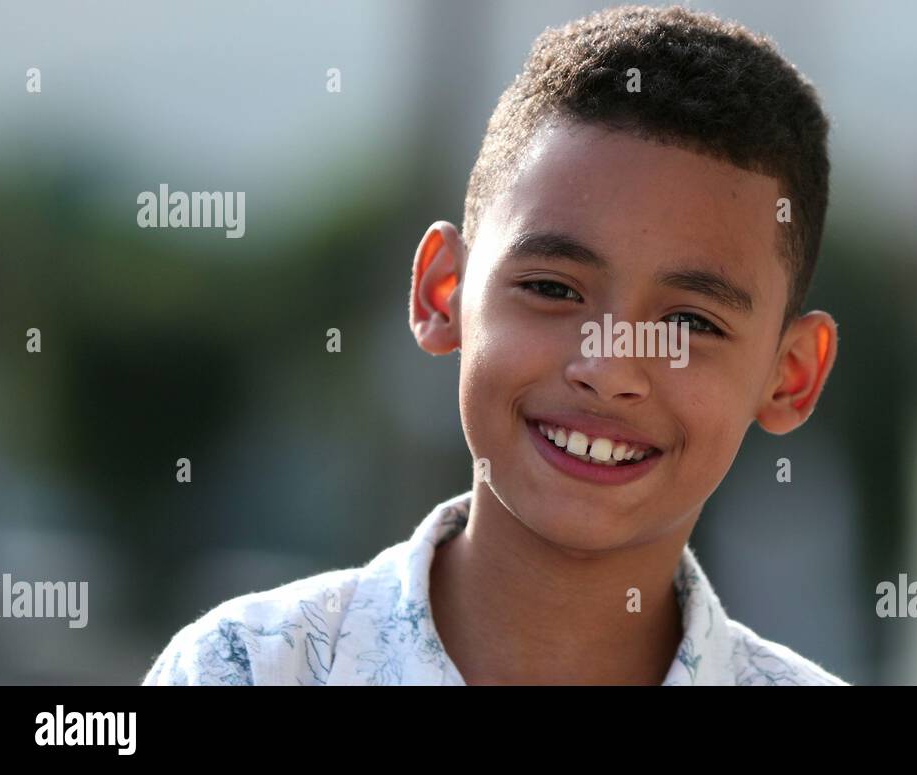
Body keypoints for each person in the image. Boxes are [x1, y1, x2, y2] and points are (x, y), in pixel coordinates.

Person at [144, 4, 844, 686]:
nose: (607, 368)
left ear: (791, 376)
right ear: (442, 292)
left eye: (690, 324)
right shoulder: (243, 669)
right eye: (553, 288)